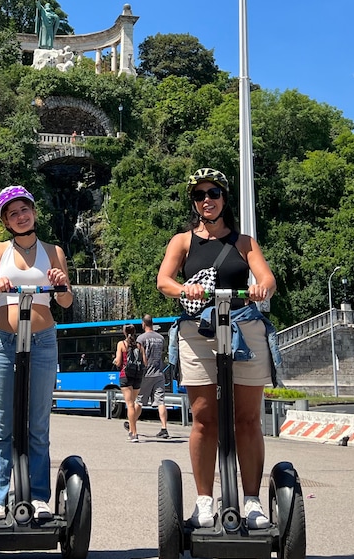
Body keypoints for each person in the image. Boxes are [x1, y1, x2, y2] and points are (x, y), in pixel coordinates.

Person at [155, 168, 278, 531]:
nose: (206, 200)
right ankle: (205, 500)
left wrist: (261, 289)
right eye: (199, 195)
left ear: (224, 198)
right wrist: (184, 290)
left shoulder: (244, 242)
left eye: (213, 193)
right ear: (193, 203)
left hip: (243, 326)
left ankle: (253, 501)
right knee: (205, 419)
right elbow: (164, 280)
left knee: (247, 419)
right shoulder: (181, 241)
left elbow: (267, 277)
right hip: (198, 332)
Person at [0, 185, 74, 521]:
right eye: (12, 213)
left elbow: (65, 301)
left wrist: (61, 283)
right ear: (5, 221)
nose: (20, 217)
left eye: (24, 210)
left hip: (43, 339)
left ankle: (38, 496)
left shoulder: (54, 250)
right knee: (2, 424)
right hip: (4, 340)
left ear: (33, 212)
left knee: (38, 425)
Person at [137, 314, 171, 439]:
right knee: (161, 401)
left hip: (147, 374)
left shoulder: (141, 338)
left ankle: (132, 425)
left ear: (143, 324)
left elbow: (141, 357)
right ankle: (164, 428)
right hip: (159, 373)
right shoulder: (161, 338)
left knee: (139, 401)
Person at [115, 324, 145, 442]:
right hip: (137, 376)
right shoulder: (139, 345)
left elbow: (118, 362)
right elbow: (145, 362)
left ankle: (134, 433)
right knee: (134, 403)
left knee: (130, 405)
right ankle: (132, 430)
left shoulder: (121, 344)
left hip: (125, 375)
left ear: (124, 333)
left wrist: (115, 360)